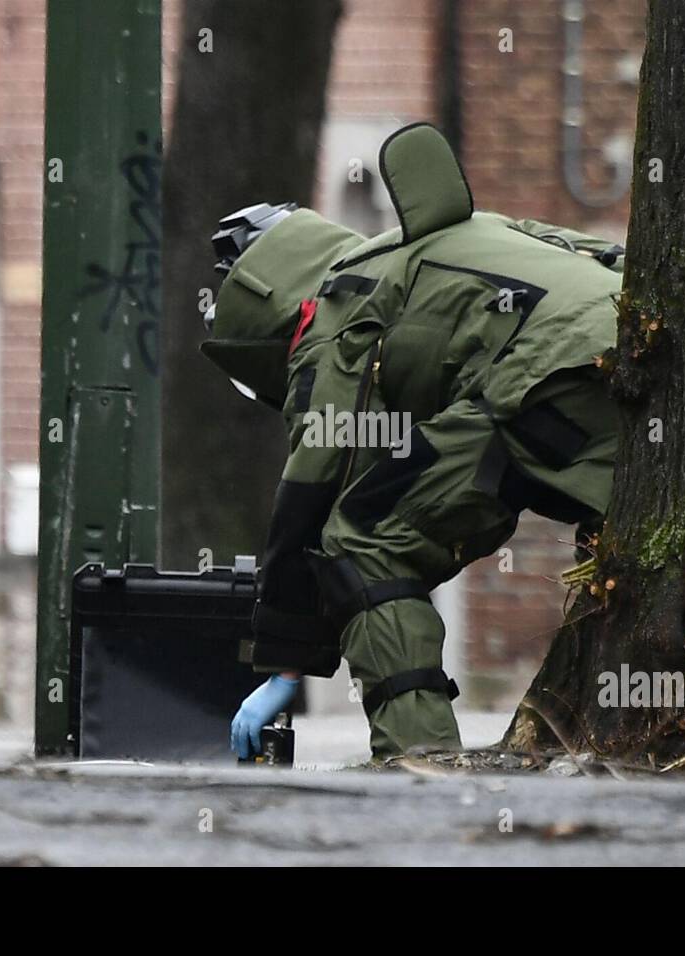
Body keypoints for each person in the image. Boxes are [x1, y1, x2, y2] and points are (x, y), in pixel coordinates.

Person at [202, 123, 623, 761]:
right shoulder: (465, 232)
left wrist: (284, 667)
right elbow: (603, 257)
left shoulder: (334, 308)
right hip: (638, 364)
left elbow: (314, 487)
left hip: (542, 385)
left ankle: (419, 759)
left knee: (365, 542)